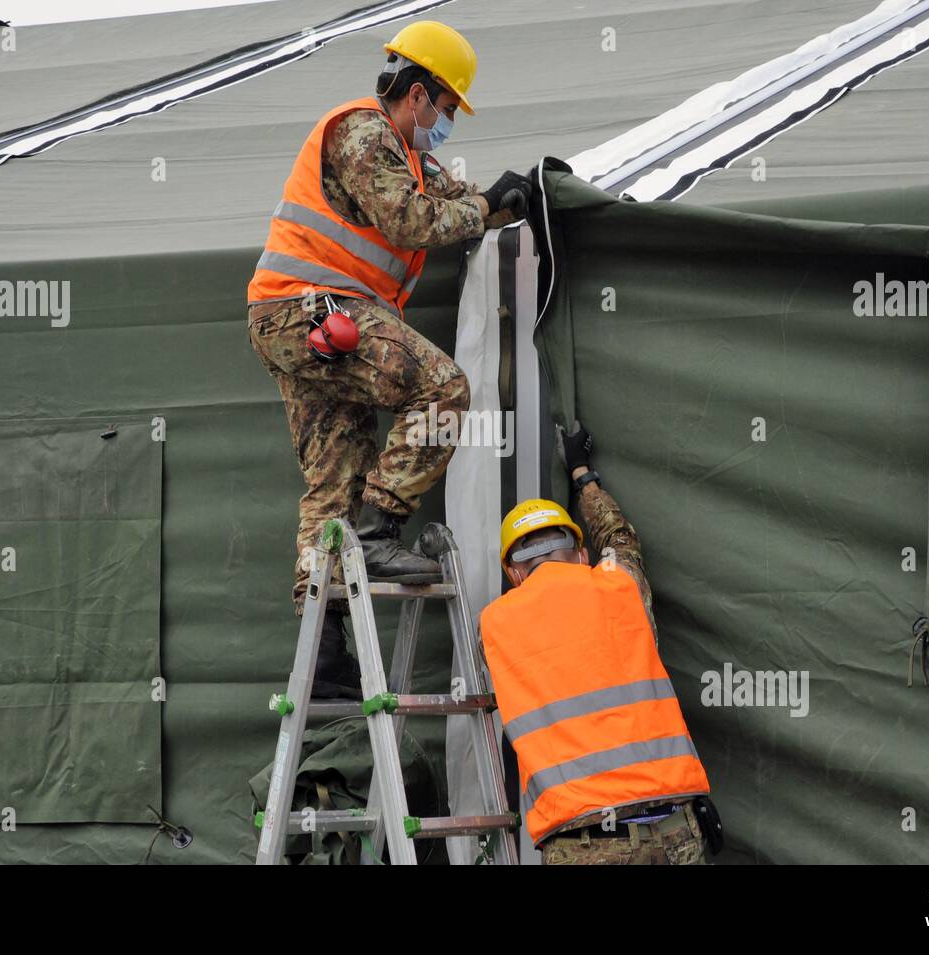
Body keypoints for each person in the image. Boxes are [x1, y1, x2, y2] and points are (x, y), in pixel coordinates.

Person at [246, 20, 533, 697]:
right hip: (308, 310)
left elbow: (455, 202)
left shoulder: (409, 155)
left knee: (331, 475)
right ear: (418, 92)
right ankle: (379, 529)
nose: (447, 121)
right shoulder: (365, 135)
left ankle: (323, 651)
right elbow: (410, 221)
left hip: (297, 317)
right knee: (442, 388)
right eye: (448, 106)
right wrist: (488, 204)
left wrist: (510, 199)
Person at [478, 421, 720, 864]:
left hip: (584, 841)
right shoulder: (621, 586)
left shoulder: (494, 625)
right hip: (674, 828)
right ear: (582, 554)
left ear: (513, 573)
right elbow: (619, 536)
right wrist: (581, 473)